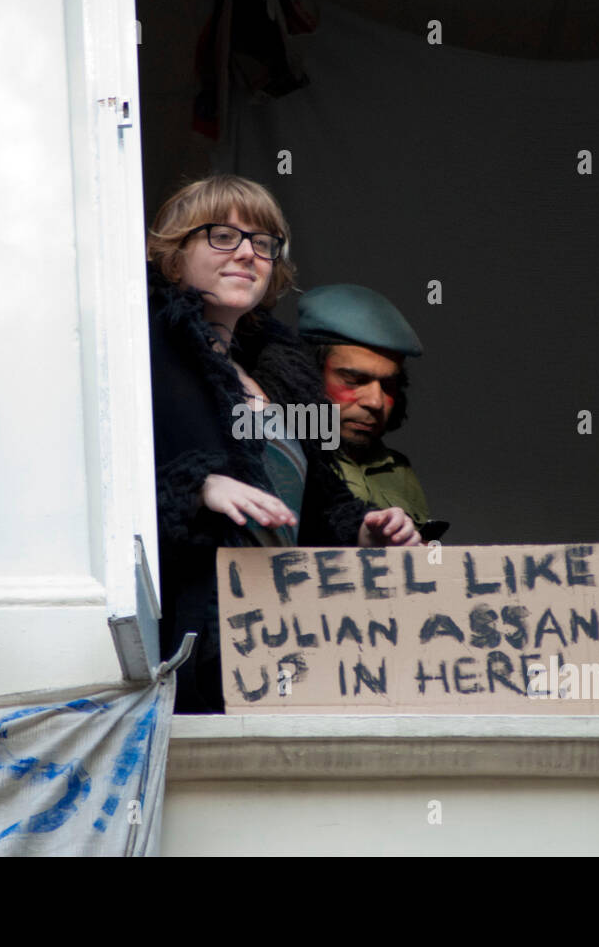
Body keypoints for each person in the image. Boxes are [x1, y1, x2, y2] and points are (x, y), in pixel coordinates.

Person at [147, 175, 421, 713]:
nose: (247, 253)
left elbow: (319, 501)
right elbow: (103, 494)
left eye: (263, 243)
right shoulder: (149, 349)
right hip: (196, 639)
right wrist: (196, 485)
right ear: (176, 256)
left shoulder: (284, 374)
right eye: (223, 236)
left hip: (282, 630)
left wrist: (365, 528)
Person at [297, 284, 439, 537]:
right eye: (354, 379)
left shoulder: (398, 472)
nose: (375, 401)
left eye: (388, 385)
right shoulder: (284, 456)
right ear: (310, 375)